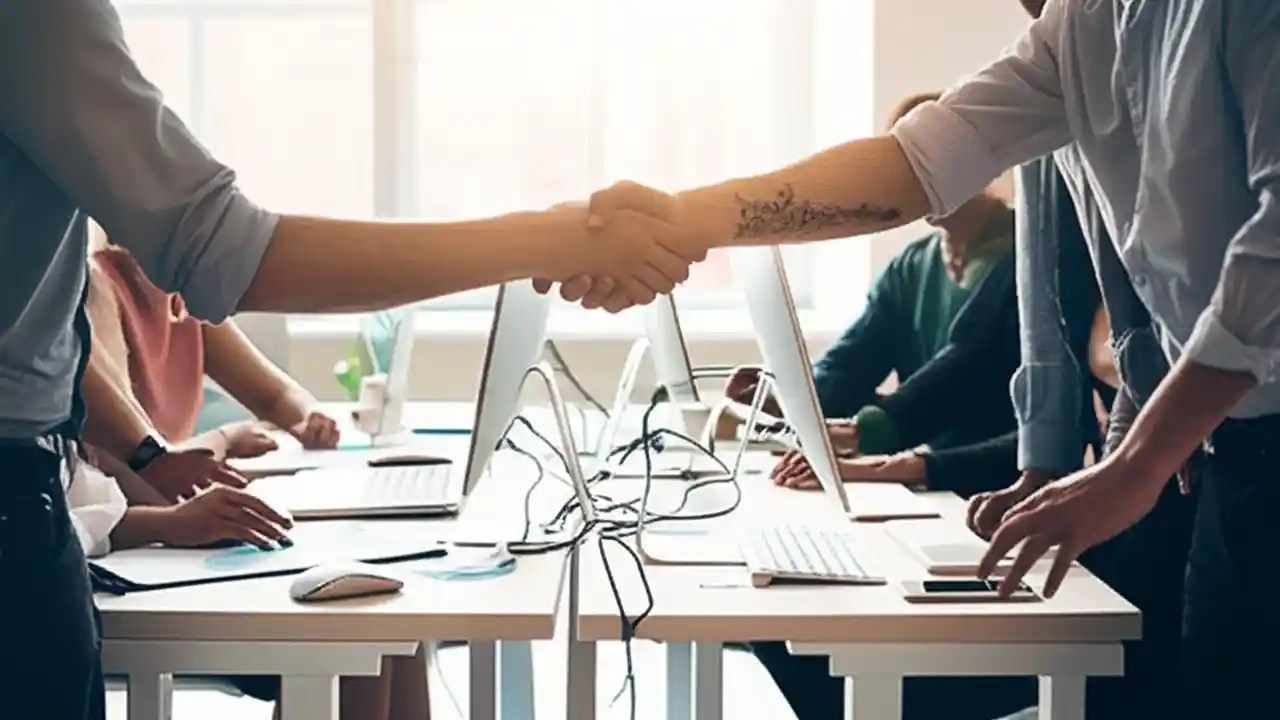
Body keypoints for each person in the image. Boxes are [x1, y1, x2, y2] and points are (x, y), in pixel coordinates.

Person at [573, 0, 1278, 714]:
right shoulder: (1079, 26)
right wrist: (686, 218)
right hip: (1226, 451)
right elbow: (911, 163)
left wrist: (1137, 462)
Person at [0, 1, 696, 716]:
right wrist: (550, 241)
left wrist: (154, 453)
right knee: (370, 629)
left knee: (390, 633)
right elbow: (224, 250)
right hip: (18, 506)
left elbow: (69, 339)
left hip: (36, 493)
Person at [725, 92, 1024, 502]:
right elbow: (851, 366)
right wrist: (782, 398)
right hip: (929, 477)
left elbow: (963, 375)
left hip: (988, 479)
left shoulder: (1026, 258)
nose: (919, 181)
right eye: (908, 168)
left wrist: (866, 438)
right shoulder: (911, 267)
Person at [64, 453, 431, 720]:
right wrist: (165, 516)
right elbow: (145, 469)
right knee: (353, 628)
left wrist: (171, 511)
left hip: (123, 550)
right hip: (83, 586)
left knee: (391, 622)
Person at [83, 237, 340, 503]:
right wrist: (225, 439)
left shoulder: (184, 298)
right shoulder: (99, 288)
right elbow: (127, 463)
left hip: (168, 501)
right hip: (122, 509)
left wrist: (310, 416)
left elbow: (274, 396)